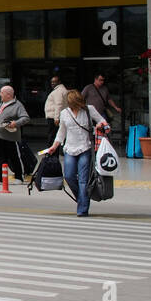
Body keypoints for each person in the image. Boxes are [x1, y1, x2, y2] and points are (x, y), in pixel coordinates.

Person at [50, 89, 110, 217]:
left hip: (85, 148)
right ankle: (82, 198)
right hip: (69, 149)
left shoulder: (89, 110)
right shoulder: (64, 113)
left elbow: (102, 121)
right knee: (69, 176)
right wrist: (54, 146)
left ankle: (82, 208)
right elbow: (61, 132)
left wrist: (100, 126)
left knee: (83, 180)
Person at [0, 85, 29, 185]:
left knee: (13, 157)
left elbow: (25, 118)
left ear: (8, 94)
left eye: (1, 93)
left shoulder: (17, 105)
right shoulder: (3, 103)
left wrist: (15, 123)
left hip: (10, 137)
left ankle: (19, 177)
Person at [44, 74, 68, 146]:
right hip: (55, 117)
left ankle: (51, 154)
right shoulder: (60, 90)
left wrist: (56, 118)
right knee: (56, 136)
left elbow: (59, 105)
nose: (52, 83)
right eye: (51, 82)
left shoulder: (59, 91)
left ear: (59, 82)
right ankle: (53, 154)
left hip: (54, 117)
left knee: (52, 136)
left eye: (54, 82)